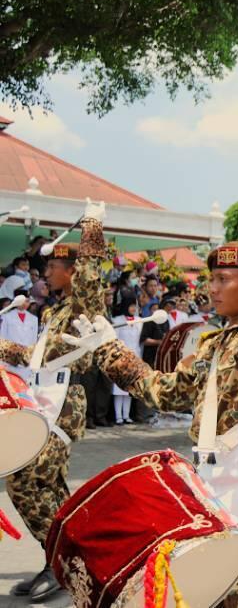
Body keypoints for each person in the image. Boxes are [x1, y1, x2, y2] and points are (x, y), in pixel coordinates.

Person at [72, 118, 238, 607]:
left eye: (228, 278)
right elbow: (164, 393)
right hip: (204, 478)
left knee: (214, 594)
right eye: (213, 277)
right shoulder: (213, 344)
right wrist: (107, 347)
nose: (214, 286)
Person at [0, 203, 109, 600]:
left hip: (65, 402)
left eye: (54, 267)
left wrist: (93, 227)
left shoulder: (83, 302)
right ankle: (67, 562)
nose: (46, 272)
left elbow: (93, 273)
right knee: (45, 484)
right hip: (46, 395)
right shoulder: (55, 309)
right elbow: (39, 356)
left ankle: (62, 565)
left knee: (26, 478)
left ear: (73, 271)